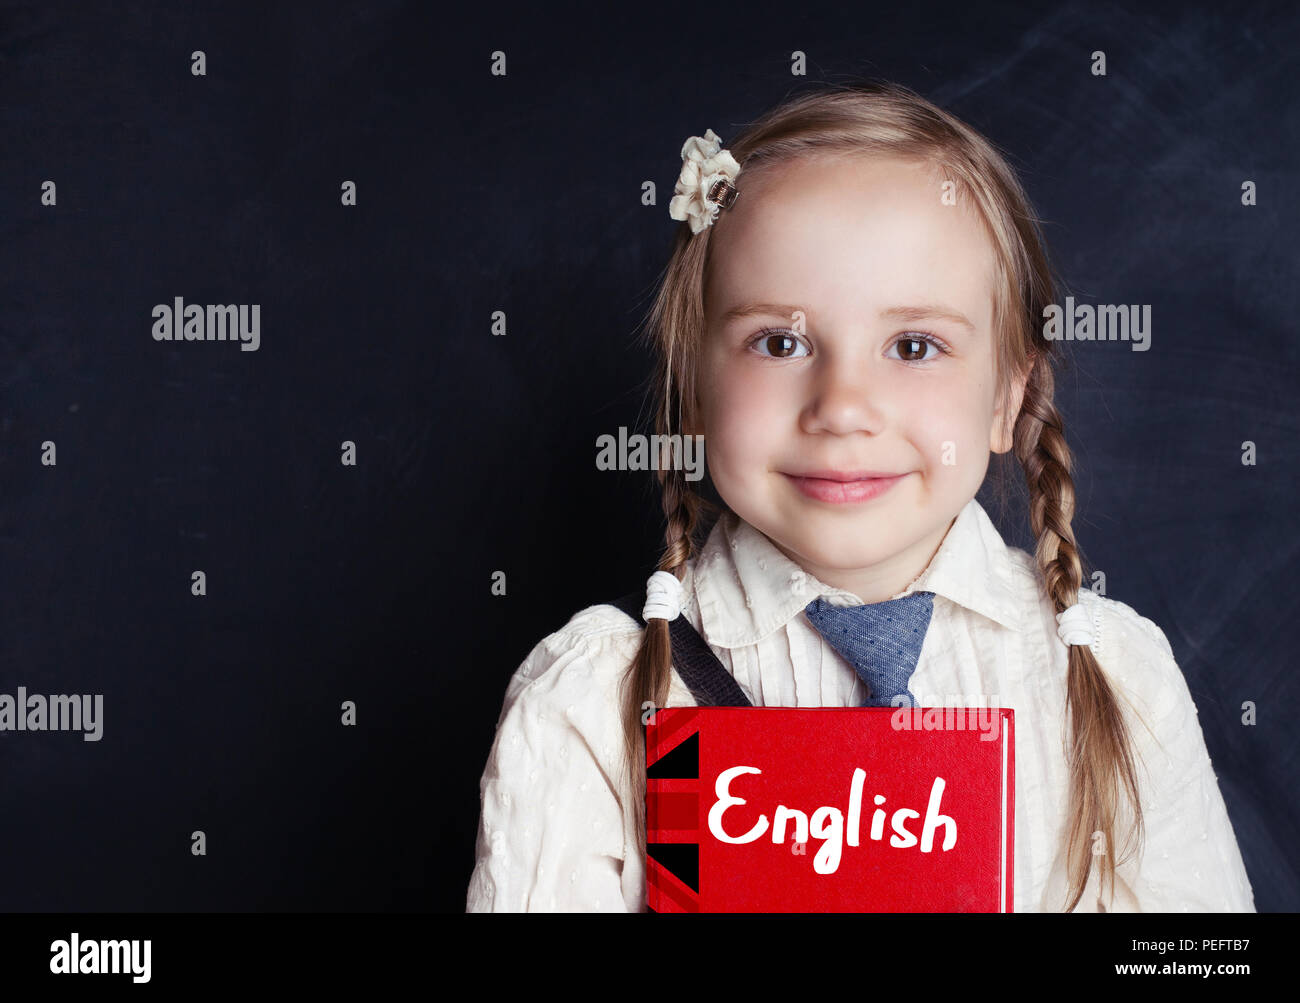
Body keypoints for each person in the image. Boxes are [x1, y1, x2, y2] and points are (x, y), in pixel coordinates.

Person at [465, 81, 1255, 913]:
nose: (841, 405)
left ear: (1005, 399)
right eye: (779, 341)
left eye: (914, 345)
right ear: (694, 387)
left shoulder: (1113, 678)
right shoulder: (595, 699)